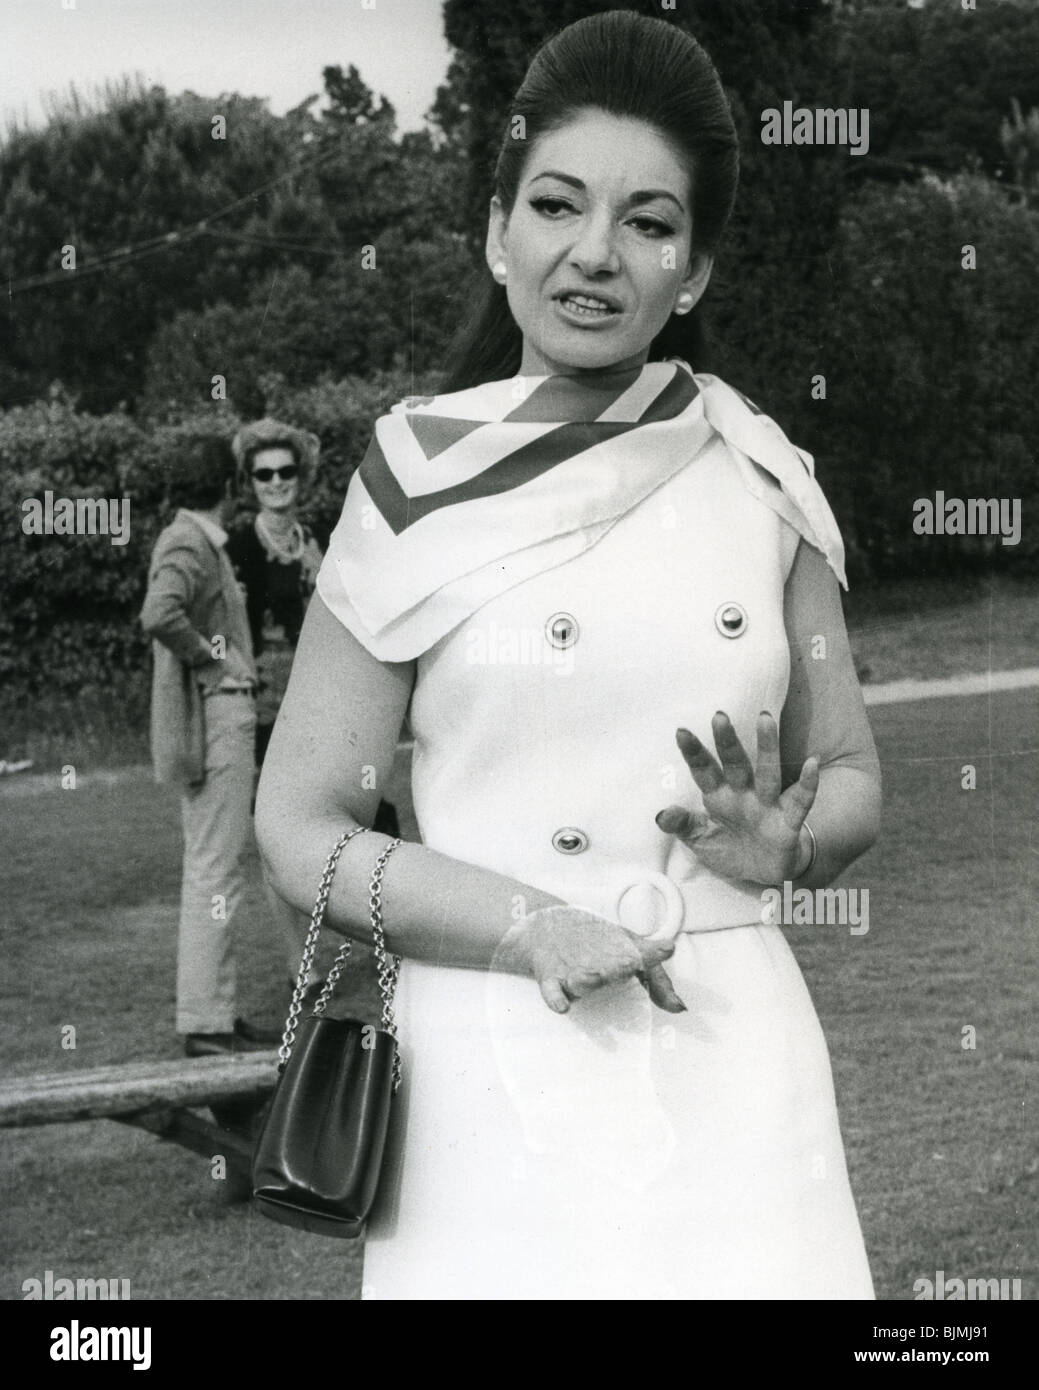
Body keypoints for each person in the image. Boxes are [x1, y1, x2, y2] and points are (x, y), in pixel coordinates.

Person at [255, 11, 881, 1299]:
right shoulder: (408, 485)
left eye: (650, 223)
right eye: (556, 205)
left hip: (731, 1059)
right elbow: (295, 826)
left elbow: (852, 770)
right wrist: (527, 927)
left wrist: (794, 848)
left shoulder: (764, 477)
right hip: (487, 1073)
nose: (595, 254)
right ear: (497, 232)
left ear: (693, 270)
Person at [227, 419, 400, 987]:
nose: (276, 482)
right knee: (284, 828)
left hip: (323, 692)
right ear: (249, 482)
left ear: (301, 477)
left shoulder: (315, 539)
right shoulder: (241, 547)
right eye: (264, 474)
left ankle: (389, 940)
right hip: (264, 705)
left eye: (286, 471)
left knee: (375, 815)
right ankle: (301, 968)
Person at [140, 435, 279, 1056]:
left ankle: (214, 1014)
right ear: (229, 486)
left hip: (223, 713)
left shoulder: (193, 537)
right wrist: (216, 664)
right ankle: (204, 1024)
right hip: (218, 718)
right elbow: (160, 614)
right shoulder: (189, 539)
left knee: (215, 871)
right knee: (215, 873)